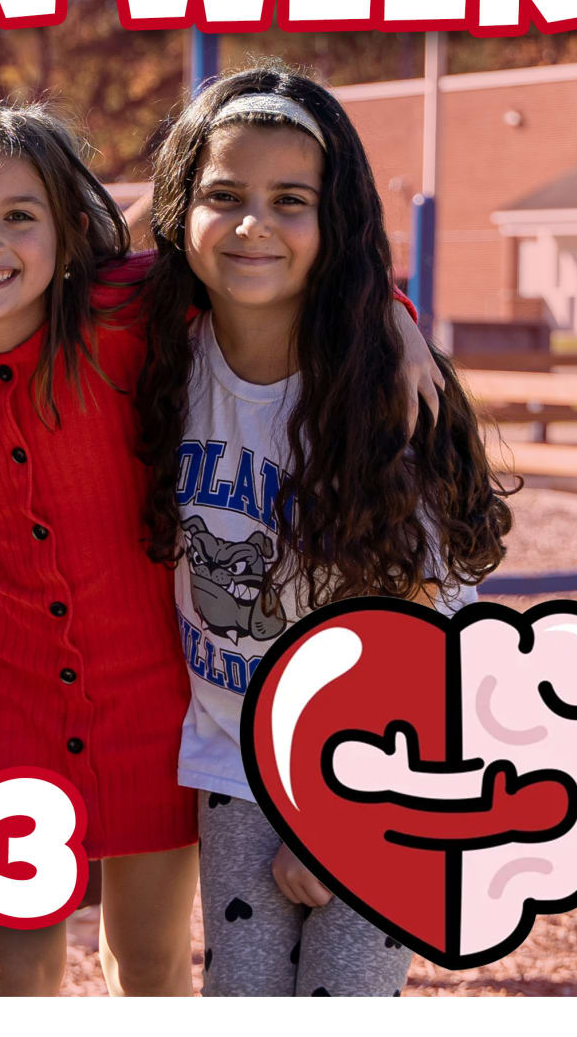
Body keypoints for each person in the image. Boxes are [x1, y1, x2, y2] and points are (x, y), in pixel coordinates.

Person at [131, 65, 513, 996]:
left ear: (333, 222)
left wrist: (339, 810)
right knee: (242, 997)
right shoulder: (161, 363)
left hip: (378, 767)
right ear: (181, 206)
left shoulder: (383, 389)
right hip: (231, 753)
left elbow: (426, 620)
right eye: (223, 195)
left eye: (290, 199)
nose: (254, 222)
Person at [0, 103, 198, 995]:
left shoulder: (132, 310)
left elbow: (299, 288)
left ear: (68, 234)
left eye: (19, 215)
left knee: (147, 961)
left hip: (153, 695)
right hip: (10, 689)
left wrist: (400, 322)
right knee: (14, 969)